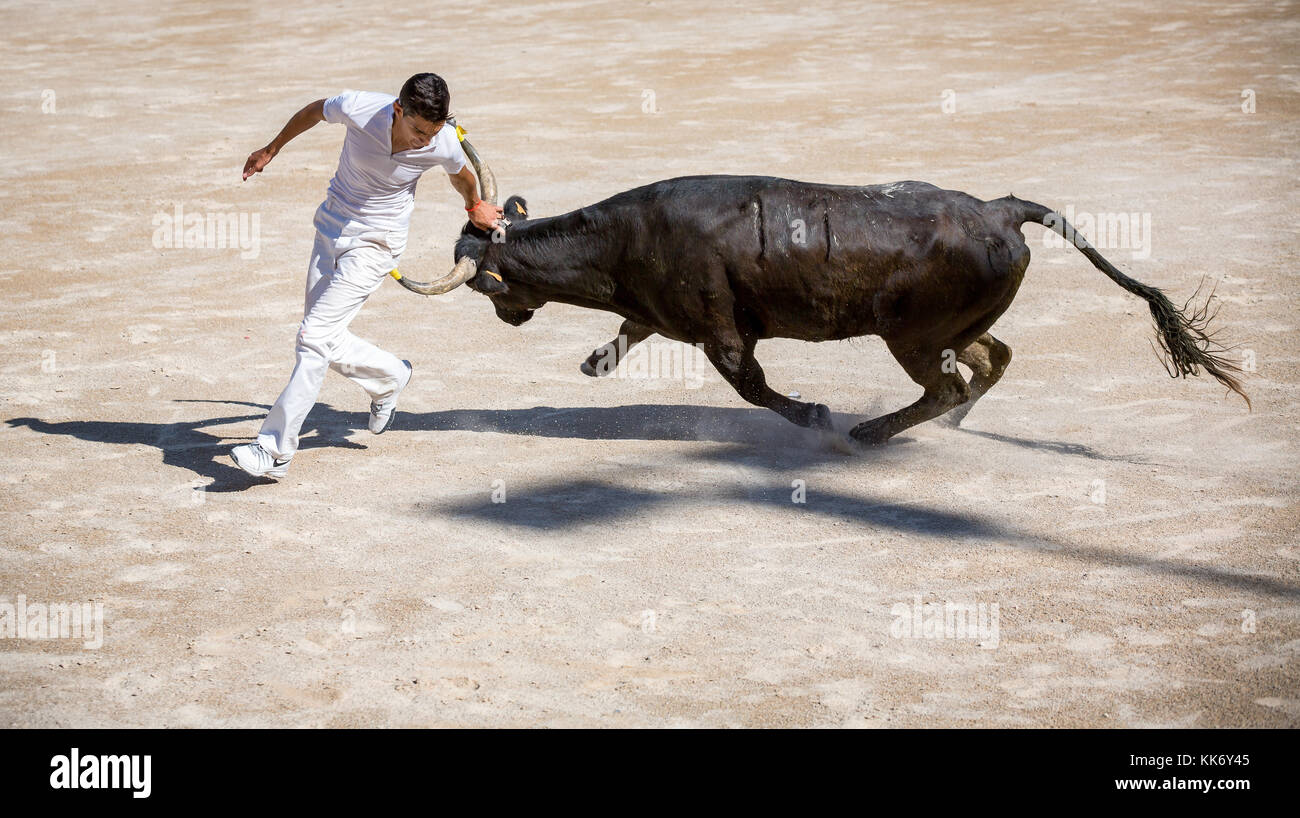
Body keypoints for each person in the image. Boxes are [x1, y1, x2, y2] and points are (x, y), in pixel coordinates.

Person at [231, 73, 503, 478]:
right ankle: (390, 377)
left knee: (313, 337)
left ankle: (274, 451)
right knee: (323, 338)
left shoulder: (441, 140)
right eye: (417, 130)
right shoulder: (360, 107)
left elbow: (461, 174)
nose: (423, 141)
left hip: (377, 245)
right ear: (398, 110)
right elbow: (312, 112)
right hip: (330, 228)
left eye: (431, 132)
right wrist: (271, 149)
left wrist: (474, 207)